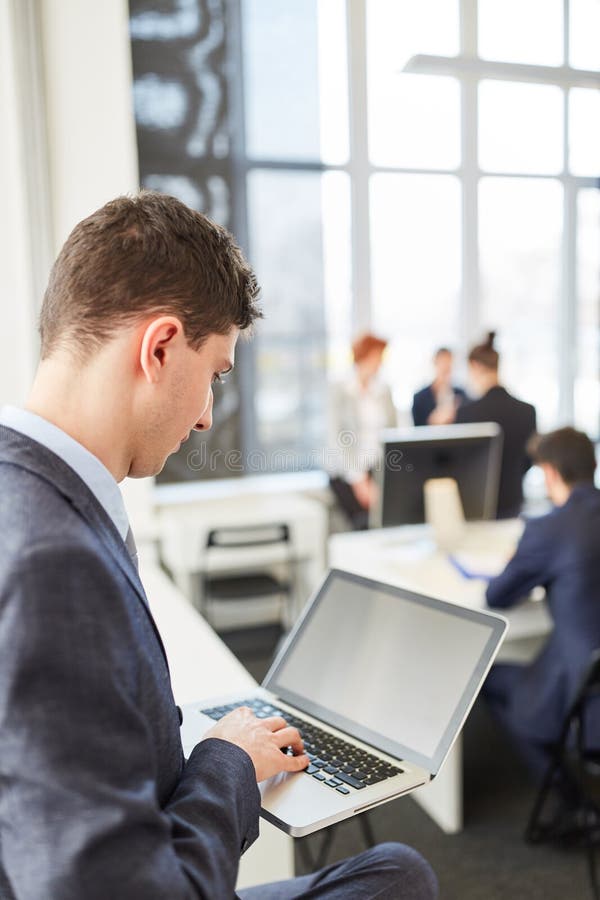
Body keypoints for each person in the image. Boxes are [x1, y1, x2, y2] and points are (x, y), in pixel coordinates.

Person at [0, 192, 437, 900]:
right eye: (216, 375)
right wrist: (227, 761)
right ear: (161, 346)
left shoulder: (36, 494)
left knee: (396, 871)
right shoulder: (54, 562)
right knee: (400, 880)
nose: (206, 418)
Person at [483, 427, 600, 781]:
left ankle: (566, 798)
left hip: (585, 687)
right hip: (593, 668)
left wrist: (518, 557)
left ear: (549, 472)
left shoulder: (548, 529)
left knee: (488, 679)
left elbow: (497, 596)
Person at [455, 332, 537, 519]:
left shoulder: (466, 413)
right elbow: (529, 459)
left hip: (477, 505)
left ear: (475, 366)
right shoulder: (527, 411)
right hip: (514, 501)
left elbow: (461, 463)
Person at [328, 333, 397, 530]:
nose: (380, 363)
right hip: (346, 472)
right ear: (364, 356)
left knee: (386, 520)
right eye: (377, 356)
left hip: (378, 468)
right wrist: (359, 481)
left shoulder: (384, 391)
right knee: (363, 523)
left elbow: (392, 433)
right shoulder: (340, 390)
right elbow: (337, 437)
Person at [411, 347, 467, 426]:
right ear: (435, 363)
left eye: (449, 365)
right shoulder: (420, 398)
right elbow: (417, 430)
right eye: (443, 364)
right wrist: (432, 421)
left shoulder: (461, 395)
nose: (446, 368)